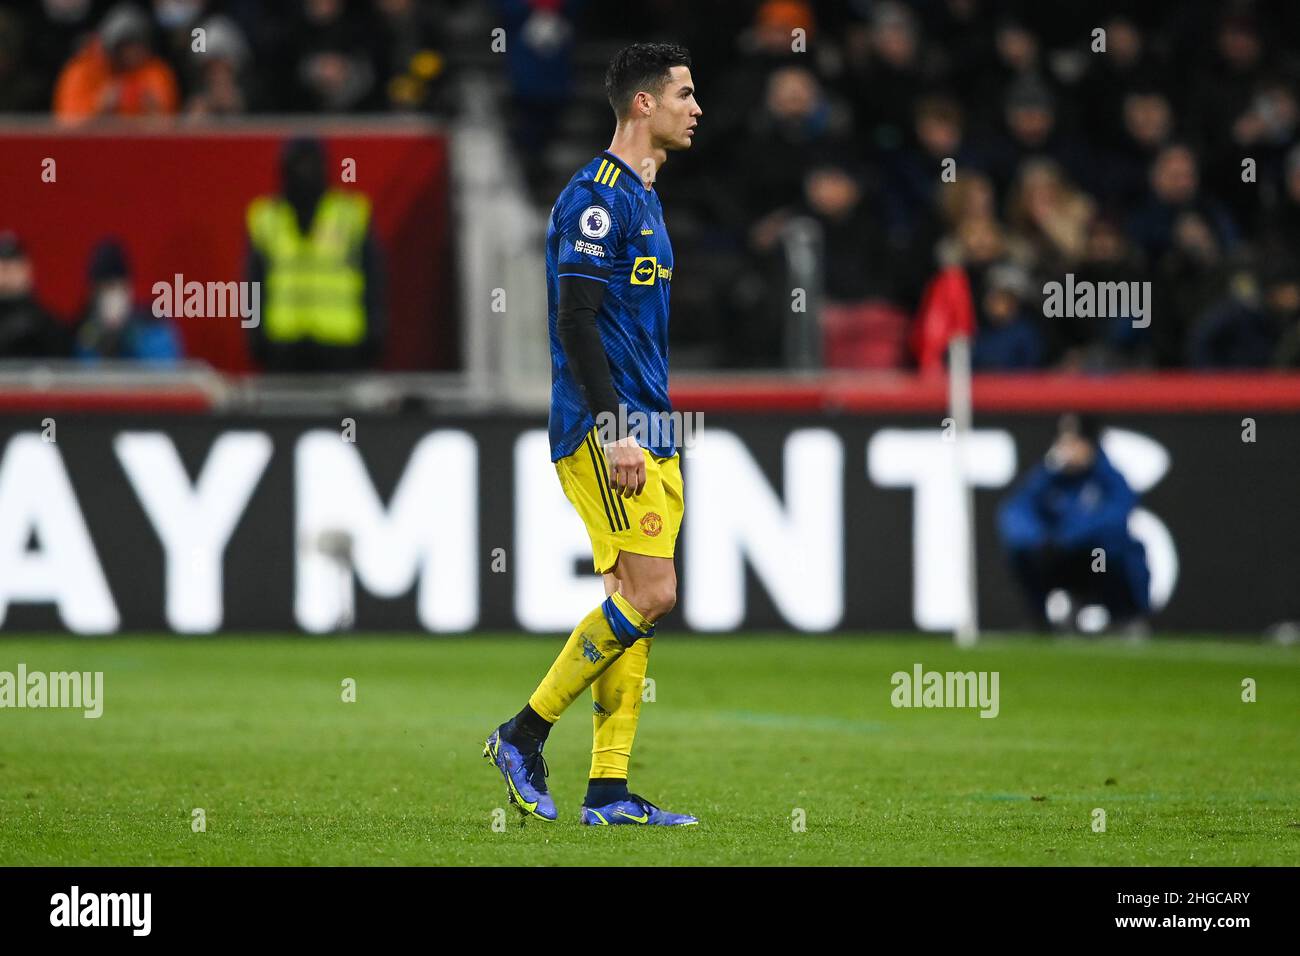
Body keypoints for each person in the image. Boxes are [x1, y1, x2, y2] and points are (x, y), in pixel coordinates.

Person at [483, 42, 702, 827]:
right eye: (682, 93)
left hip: (651, 424)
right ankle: (522, 734)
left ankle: (607, 790)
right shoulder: (595, 198)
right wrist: (614, 431)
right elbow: (575, 321)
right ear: (642, 104)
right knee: (653, 592)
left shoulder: (645, 196)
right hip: (606, 427)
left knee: (630, 602)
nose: (696, 107)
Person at [998, 414, 1151, 631]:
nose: (1068, 449)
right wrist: (1041, 539)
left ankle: (1122, 617)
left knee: (1105, 555)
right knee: (1024, 554)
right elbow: (1015, 511)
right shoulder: (1048, 478)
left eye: (1075, 442)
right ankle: (1040, 620)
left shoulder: (1107, 478)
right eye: (1064, 441)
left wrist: (1068, 538)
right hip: (1062, 559)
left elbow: (1115, 518)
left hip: (1095, 562)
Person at [244, 137, 384, 371]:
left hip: (343, 346)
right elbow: (252, 286)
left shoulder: (350, 214)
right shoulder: (266, 218)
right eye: (298, 165)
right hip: (281, 348)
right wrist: (255, 336)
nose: (304, 173)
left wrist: (375, 332)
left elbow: (373, 278)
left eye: (310, 165)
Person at [74, 238, 181, 362]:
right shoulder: (86, 336)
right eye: (102, 291)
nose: (110, 299)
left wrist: (130, 339)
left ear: (129, 289)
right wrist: (105, 343)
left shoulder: (155, 328)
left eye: (116, 288)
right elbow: (84, 376)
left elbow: (166, 374)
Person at [0, 232, 71, 358]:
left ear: (27, 269)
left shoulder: (46, 323)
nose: (7, 271)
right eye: (2, 265)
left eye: (14, 264)